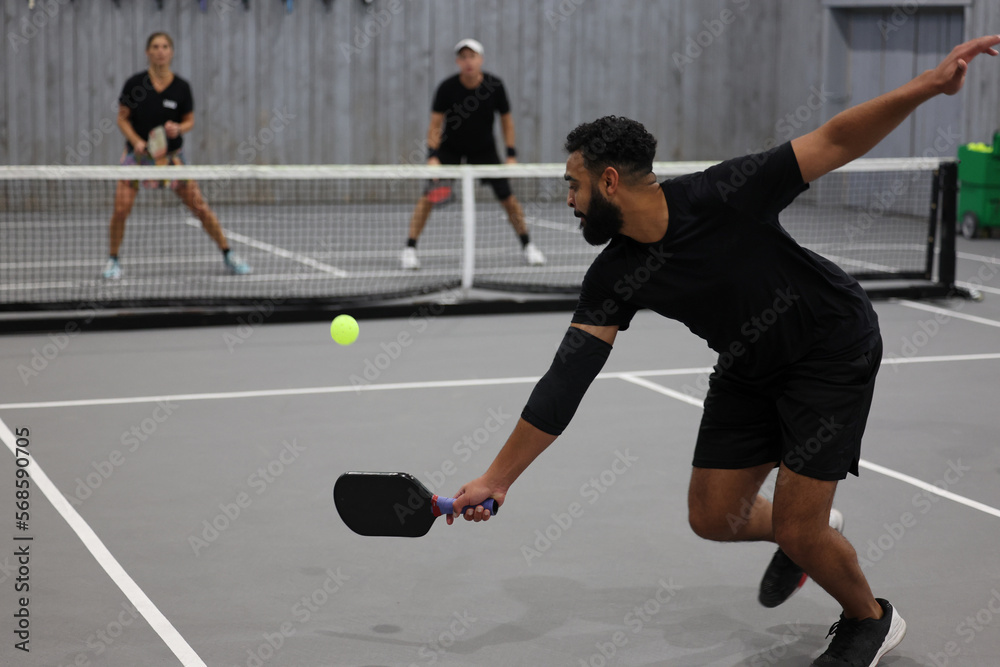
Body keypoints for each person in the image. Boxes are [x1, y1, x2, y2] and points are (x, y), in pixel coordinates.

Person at [445, 35, 999, 666]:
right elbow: (567, 379)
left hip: (829, 348)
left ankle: (869, 619)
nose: (567, 201)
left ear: (607, 180)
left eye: (571, 185)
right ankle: (813, 537)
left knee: (797, 526)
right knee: (713, 515)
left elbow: (836, 140)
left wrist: (927, 84)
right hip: (747, 364)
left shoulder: (725, 192)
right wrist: (498, 478)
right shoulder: (613, 274)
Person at [101, 32, 250, 280]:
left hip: (171, 158)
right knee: (120, 210)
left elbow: (189, 120)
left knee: (199, 207)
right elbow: (122, 117)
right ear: (148, 52)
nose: (160, 51)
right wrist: (136, 141)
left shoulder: (181, 87)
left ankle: (228, 253)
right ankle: (113, 260)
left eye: (165, 46)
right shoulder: (135, 84)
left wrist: (179, 128)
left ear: (171, 52)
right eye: (155, 46)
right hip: (138, 158)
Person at [401, 38, 546, 270]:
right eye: (463, 57)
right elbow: (435, 125)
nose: (468, 61)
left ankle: (528, 246)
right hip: (450, 150)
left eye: (472, 56)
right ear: (458, 61)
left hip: (484, 150)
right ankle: (409, 249)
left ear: (481, 59)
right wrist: (432, 155)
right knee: (429, 197)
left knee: (508, 199)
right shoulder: (446, 88)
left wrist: (510, 154)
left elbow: (507, 123)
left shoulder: (494, 86)